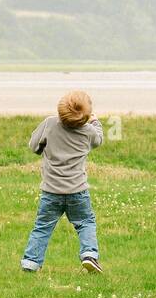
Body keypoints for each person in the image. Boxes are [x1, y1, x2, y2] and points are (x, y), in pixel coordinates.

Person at [21, 90, 104, 274]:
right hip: (78, 191)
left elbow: (34, 146)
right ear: (87, 115)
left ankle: (31, 263)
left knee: (42, 227)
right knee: (85, 222)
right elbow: (98, 140)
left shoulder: (50, 123)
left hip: (51, 192)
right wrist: (95, 122)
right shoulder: (89, 131)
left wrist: (44, 148)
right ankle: (89, 255)